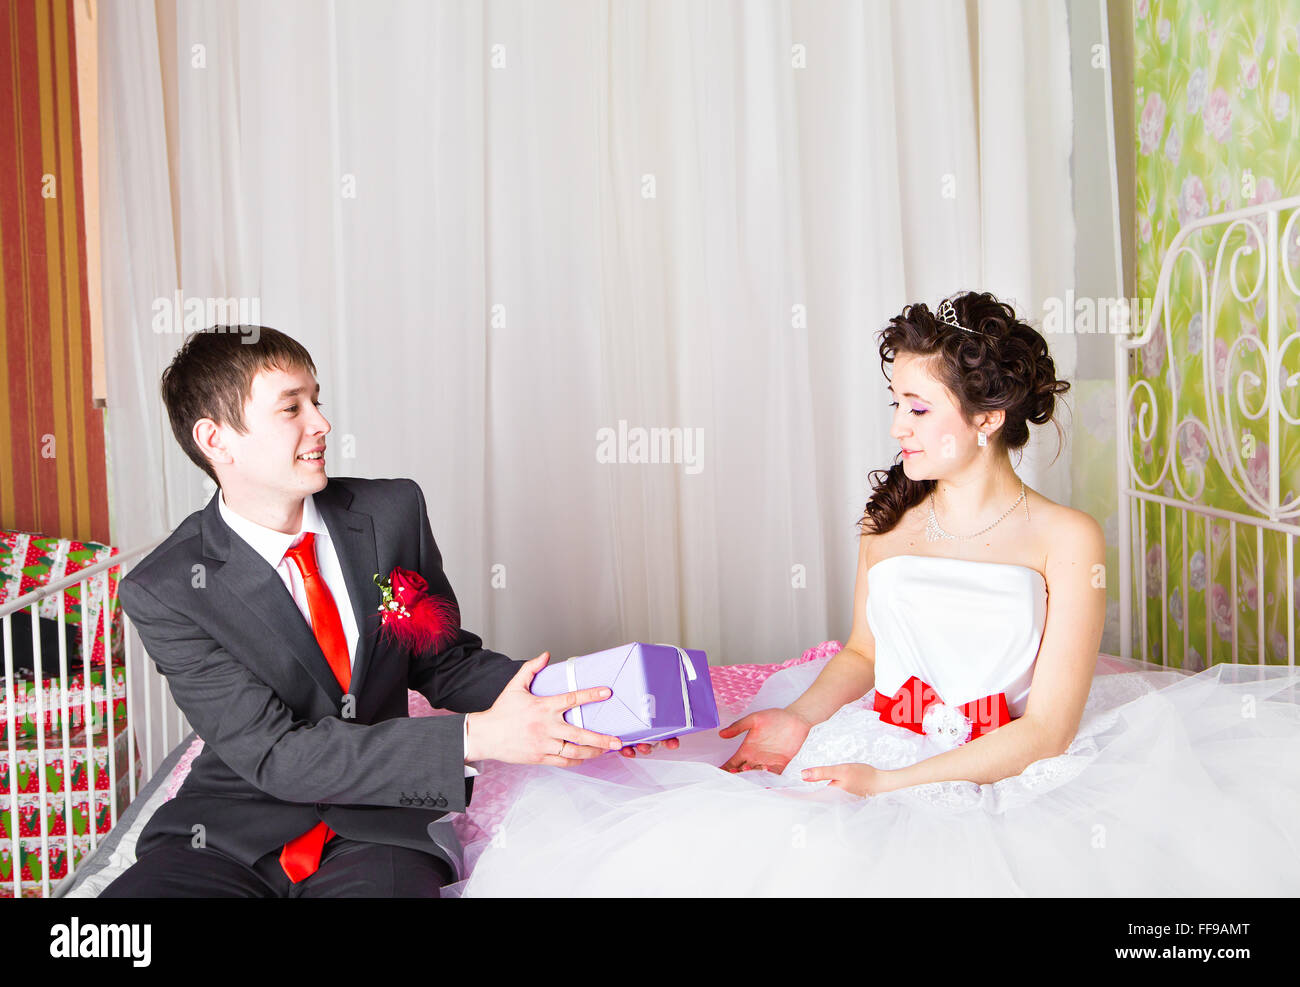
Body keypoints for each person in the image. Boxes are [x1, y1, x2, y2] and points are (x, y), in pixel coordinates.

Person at [452, 291, 1300, 896]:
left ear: (990, 414)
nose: (897, 426)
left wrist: (888, 786)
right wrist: (800, 717)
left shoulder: (1066, 538)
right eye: (895, 402)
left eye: (918, 407)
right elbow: (860, 651)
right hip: (877, 731)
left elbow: (1047, 729)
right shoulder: (888, 522)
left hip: (999, 763)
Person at [100, 325, 651, 898]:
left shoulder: (390, 512)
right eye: (291, 408)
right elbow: (276, 754)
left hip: (380, 820)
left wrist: (587, 705)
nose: (321, 424)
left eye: (317, 400)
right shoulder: (166, 587)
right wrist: (476, 737)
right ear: (215, 439)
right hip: (229, 828)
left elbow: (444, 662)